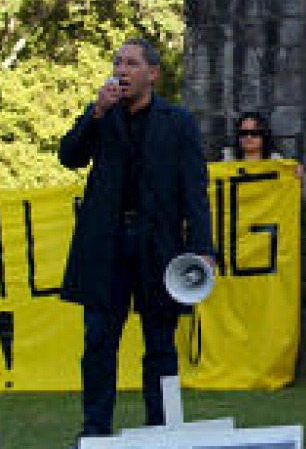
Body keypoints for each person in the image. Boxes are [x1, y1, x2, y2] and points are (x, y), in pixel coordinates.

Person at [58, 38, 214, 443]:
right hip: (106, 244)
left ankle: (161, 430)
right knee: (98, 340)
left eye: (130, 63)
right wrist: (95, 113)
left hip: (157, 245)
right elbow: (69, 156)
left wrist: (202, 248)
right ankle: (95, 431)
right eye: (117, 63)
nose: (121, 71)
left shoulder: (177, 121)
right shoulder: (102, 114)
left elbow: (195, 190)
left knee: (160, 343)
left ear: (152, 73)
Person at [221, 111, 306, 180]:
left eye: (255, 133)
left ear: (264, 135)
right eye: (243, 133)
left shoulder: (276, 161)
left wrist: (296, 175)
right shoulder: (227, 159)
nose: (248, 137)